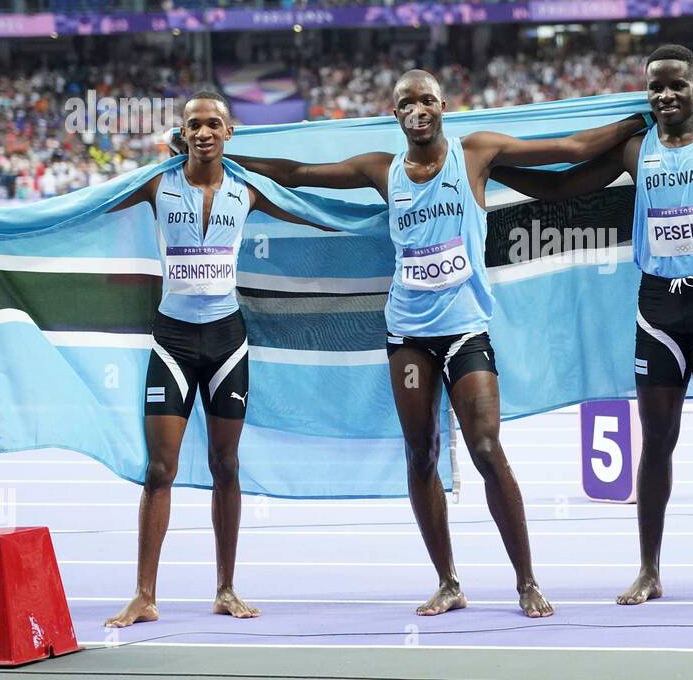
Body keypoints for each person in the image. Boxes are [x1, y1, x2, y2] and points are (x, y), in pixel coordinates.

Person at [233, 69, 650, 617]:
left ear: (444, 106)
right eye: (406, 102)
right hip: (407, 334)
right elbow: (297, 172)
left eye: (427, 99)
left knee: (485, 448)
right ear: (397, 114)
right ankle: (448, 581)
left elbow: (569, 148)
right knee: (420, 452)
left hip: (465, 330)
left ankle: (526, 580)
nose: (418, 109)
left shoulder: (474, 154)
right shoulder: (381, 170)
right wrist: (227, 159)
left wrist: (637, 119)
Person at [491, 44, 693, 605]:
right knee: (658, 443)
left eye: (676, 85)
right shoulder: (633, 147)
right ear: (646, 94)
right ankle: (648, 569)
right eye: (656, 87)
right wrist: (493, 165)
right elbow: (562, 186)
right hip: (657, 312)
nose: (666, 95)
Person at [105, 91, 329, 627]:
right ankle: (144, 593)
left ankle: (226, 587)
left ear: (229, 133)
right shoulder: (157, 184)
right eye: (193, 125)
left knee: (225, 465)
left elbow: (312, 211)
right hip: (174, 342)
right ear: (182, 134)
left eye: (213, 124)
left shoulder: (247, 190)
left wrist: (377, 224)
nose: (203, 132)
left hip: (227, 342)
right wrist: (4, 226)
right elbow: (84, 207)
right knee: (160, 468)